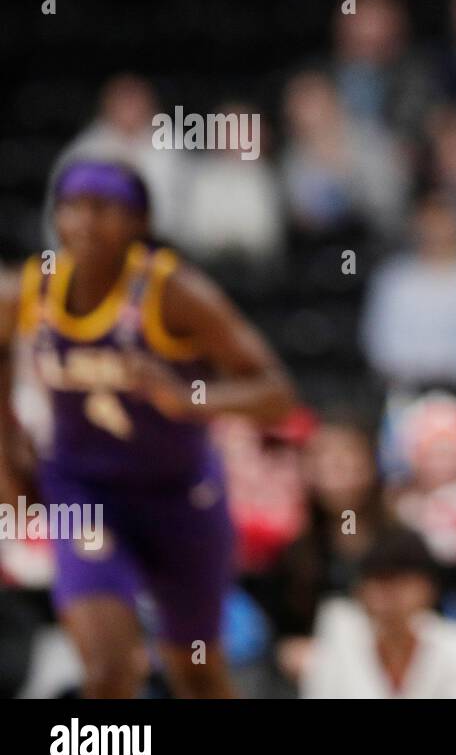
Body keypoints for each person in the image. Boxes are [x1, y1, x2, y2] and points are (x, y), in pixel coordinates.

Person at [0, 158, 296, 697]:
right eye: (71, 208)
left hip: (180, 495)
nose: (85, 222)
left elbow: (277, 394)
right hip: (85, 492)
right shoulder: (29, 291)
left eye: (103, 209)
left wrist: (188, 398)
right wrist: (8, 457)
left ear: (138, 222)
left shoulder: (175, 292)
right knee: (109, 671)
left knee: (197, 675)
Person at [299, 525, 456, 699]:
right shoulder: (338, 643)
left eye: (399, 583)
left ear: (428, 588)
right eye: (378, 582)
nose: (388, 595)